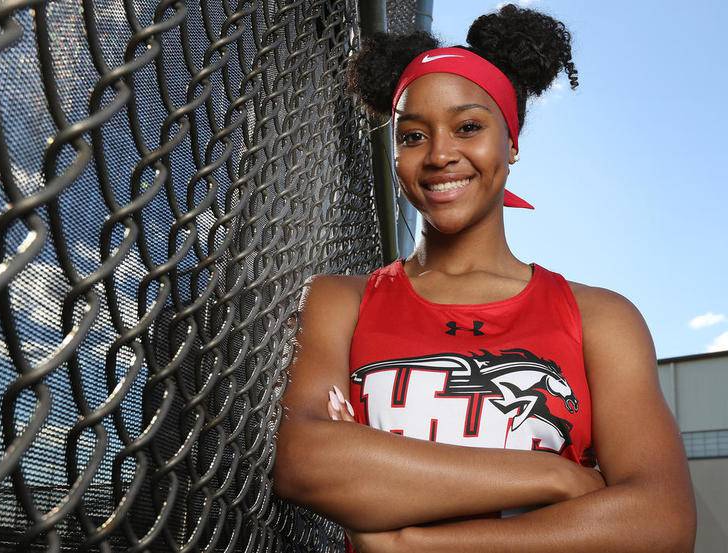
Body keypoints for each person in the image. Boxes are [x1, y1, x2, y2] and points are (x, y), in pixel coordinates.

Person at [271, 4, 696, 552]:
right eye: (413, 135)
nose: (441, 154)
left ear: (511, 143)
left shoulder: (599, 318)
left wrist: (412, 545)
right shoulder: (342, 301)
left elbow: (662, 522)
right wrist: (554, 477)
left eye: (468, 127)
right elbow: (304, 461)